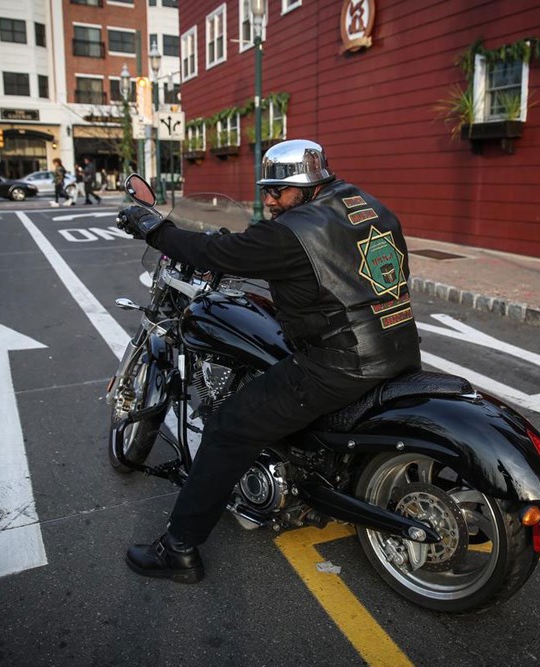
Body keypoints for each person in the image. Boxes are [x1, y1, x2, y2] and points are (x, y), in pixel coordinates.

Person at [116, 139, 421, 583]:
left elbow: (212, 255)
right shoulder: (368, 206)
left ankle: (178, 548)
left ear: (307, 186)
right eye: (266, 191)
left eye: (278, 191)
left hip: (339, 363)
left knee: (228, 427)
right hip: (399, 346)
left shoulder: (291, 234)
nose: (270, 200)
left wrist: (152, 226)